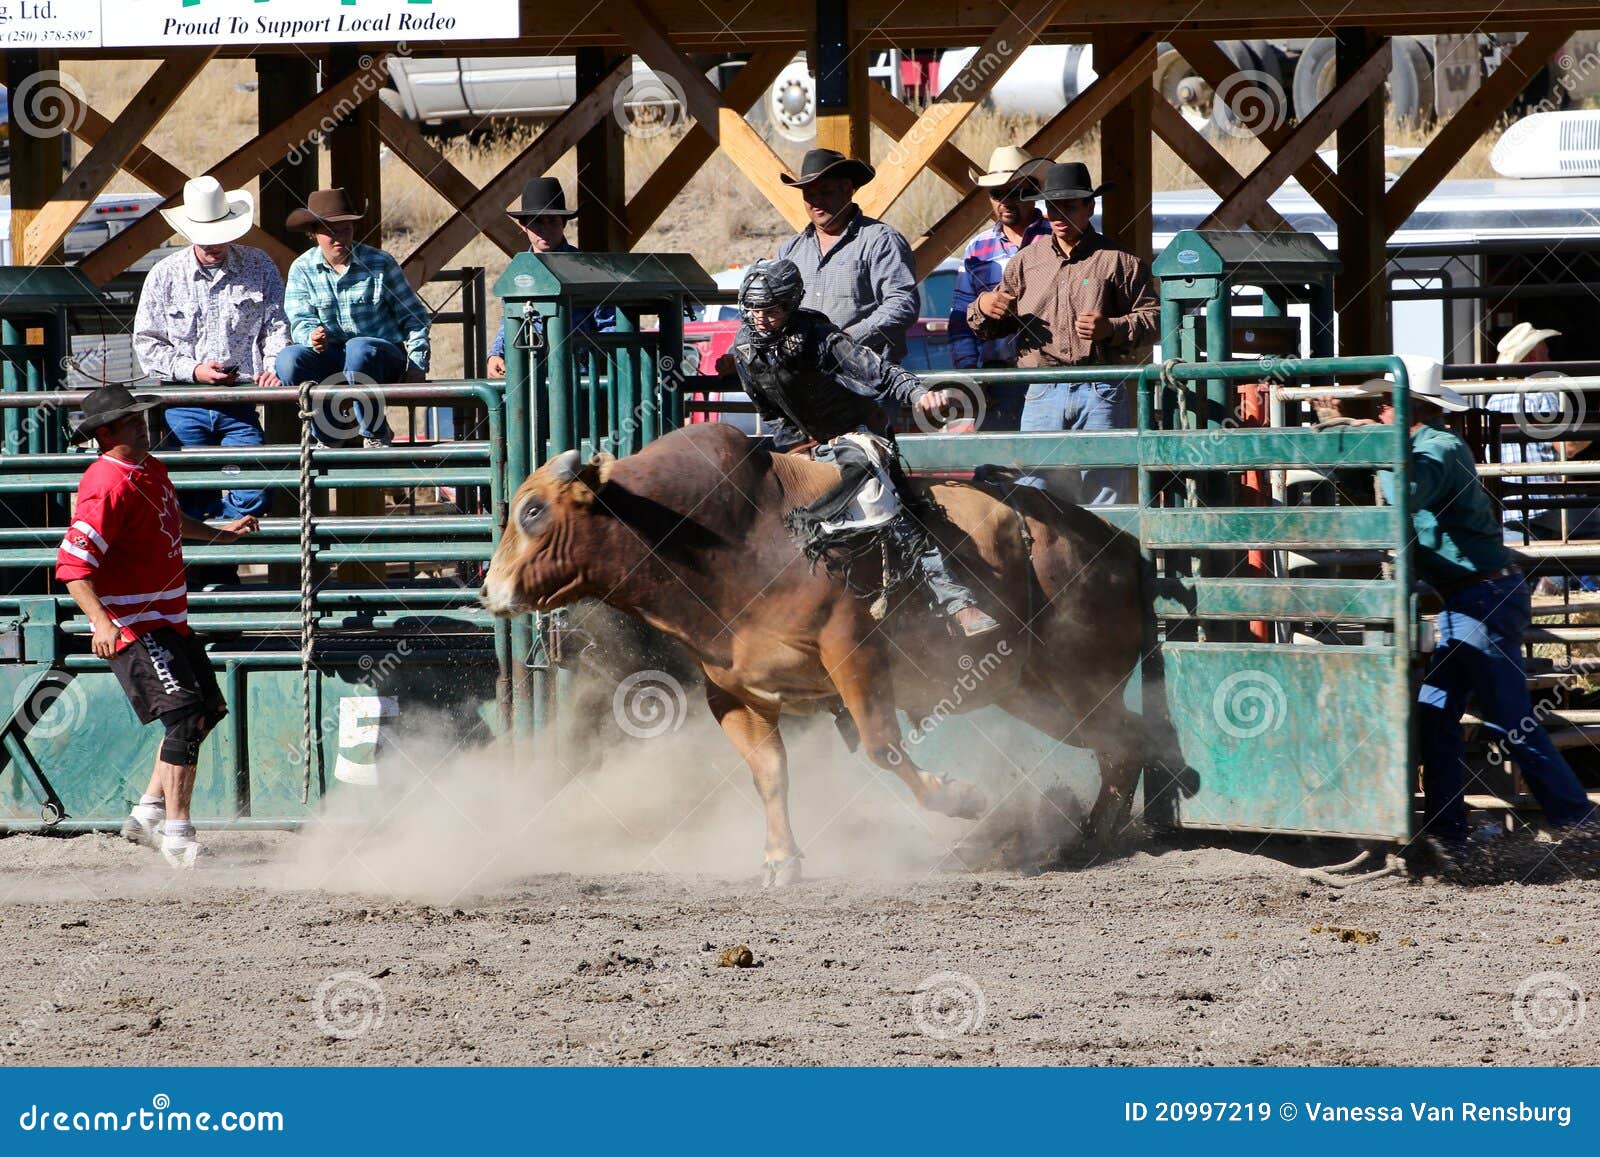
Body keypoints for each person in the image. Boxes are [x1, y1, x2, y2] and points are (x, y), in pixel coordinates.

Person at [1337, 357, 1597, 872]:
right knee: (1437, 714)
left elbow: (1403, 495)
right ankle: (1449, 833)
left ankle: (1579, 823)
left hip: (1482, 597)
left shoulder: (1439, 447)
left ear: (1410, 407)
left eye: (1387, 402)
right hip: (1470, 599)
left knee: (1508, 718)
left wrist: (1372, 449)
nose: (1381, 409)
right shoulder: (1426, 446)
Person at [721, 260, 999, 637]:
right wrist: (796, 451)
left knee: (883, 504)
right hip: (799, 447)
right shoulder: (744, 349)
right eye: (754, 310)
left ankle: (956, 601)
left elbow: (879, 372)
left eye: (771, 311)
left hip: (856, 434)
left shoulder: (821, 337)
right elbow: (769, 411)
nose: (761, 319)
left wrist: (917, 393)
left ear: (790, 307)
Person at [55, 386, 259, 870]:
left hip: (167, 618)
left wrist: (219, 533)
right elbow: (72, 566)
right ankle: (177, 833)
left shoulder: (151, 469)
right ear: (105, 433)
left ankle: (148, 812)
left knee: (204, 711)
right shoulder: (105, 485)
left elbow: (171, 519)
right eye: (132, 422)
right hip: (134, 623)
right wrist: (101, 622)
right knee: (186, 717)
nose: (144, 425)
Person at [966, 162, 1159, 504]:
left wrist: (1111, 328)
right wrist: (984, 306)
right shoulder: (1025, 263)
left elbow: (1155, 320)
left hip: (1100, 385)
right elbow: (987, 327)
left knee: (1104, 488)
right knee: (1037, 490)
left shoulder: (1119, 261)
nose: (1058, 215)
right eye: (1053, 207)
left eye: (1069, 206)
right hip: (1042, 387)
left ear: (1090, 207)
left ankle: (1104, 556)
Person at [133, 176, 287, 522]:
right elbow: (147, 343)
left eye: (220, 237)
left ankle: (216, 542)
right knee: (189, 496)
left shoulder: (259, 266)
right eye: (206, 239)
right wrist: (193, 371)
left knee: (254, 492)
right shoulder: (165, 275)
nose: (214, 245)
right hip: (184, 403)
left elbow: (276, 325)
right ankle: (216, 563)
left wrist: (273, 365)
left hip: (241, 402)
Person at [277, 188, 433, 446]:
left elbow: (414, 317)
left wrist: (416, 363)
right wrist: (311, 336)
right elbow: (300, 319)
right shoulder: (302, 269)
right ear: (313, 233)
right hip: (332, 358)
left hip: (379, 357)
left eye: (346, 230)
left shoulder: (380, 262)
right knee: (288, 360)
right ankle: (328, 432)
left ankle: (374, 430)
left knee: (359, 348)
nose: (339, 238)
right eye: (330, 231)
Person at [773, 148, 919, 362]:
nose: (816, 201)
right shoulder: (789, 251)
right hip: (806, 380)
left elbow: (902, 304)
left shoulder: (881, 240)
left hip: (868, 379)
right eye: (809, 194)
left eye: (825, 191)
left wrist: (846, 341)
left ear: (847, 189)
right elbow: (771, 308)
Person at [947, 147, 1052, 430]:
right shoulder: (977, 248)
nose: (1004, 202)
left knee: (1047, 465)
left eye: (1014, 193)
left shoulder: (1058, 238)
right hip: (997, 379)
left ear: (1033, 192)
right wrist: (970, 377)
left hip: (1051, 374)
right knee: (999, 467)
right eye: (996, 194)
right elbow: (959, 320)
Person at [1485, 324, 1594, 591]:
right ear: (1532, 359)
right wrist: (1591, 434)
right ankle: (1559, 581)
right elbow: (1566, 449)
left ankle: (1541, 584)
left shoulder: (1491, 400)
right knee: (1593, 522)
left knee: (1522, 546)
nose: (1550, 360)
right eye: (1545, 353)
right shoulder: (1544, 392)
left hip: (1507, 502)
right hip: (1544, 500)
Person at [485, 178, 615, 380]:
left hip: (579, 382)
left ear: (563, 223)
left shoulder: (587, 270)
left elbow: (609, 325)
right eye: (537, 221)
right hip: (527, 378)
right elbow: (509, 321)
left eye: (552, 220)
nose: (545, 228)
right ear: (524, 225)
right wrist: (496, 354)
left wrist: (588, 357)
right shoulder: (518, 273)